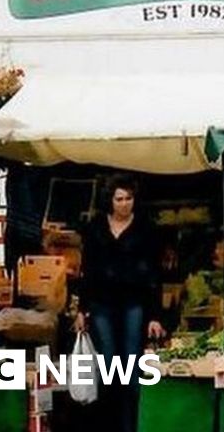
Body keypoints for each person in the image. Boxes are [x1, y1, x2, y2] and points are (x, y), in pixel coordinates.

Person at [73, 174, 164, 432]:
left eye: (129, 199)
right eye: (119, 199)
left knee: (132, 366)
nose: (124, 204)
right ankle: (108, 424)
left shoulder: (146, 228)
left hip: (134, 303)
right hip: (102, 303)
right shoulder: (96, 228)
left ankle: (132, 426)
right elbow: (87, 270)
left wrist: (155, 315)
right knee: (110, 364)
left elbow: (154, 274)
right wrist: (82, 309)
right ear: (110, 201)